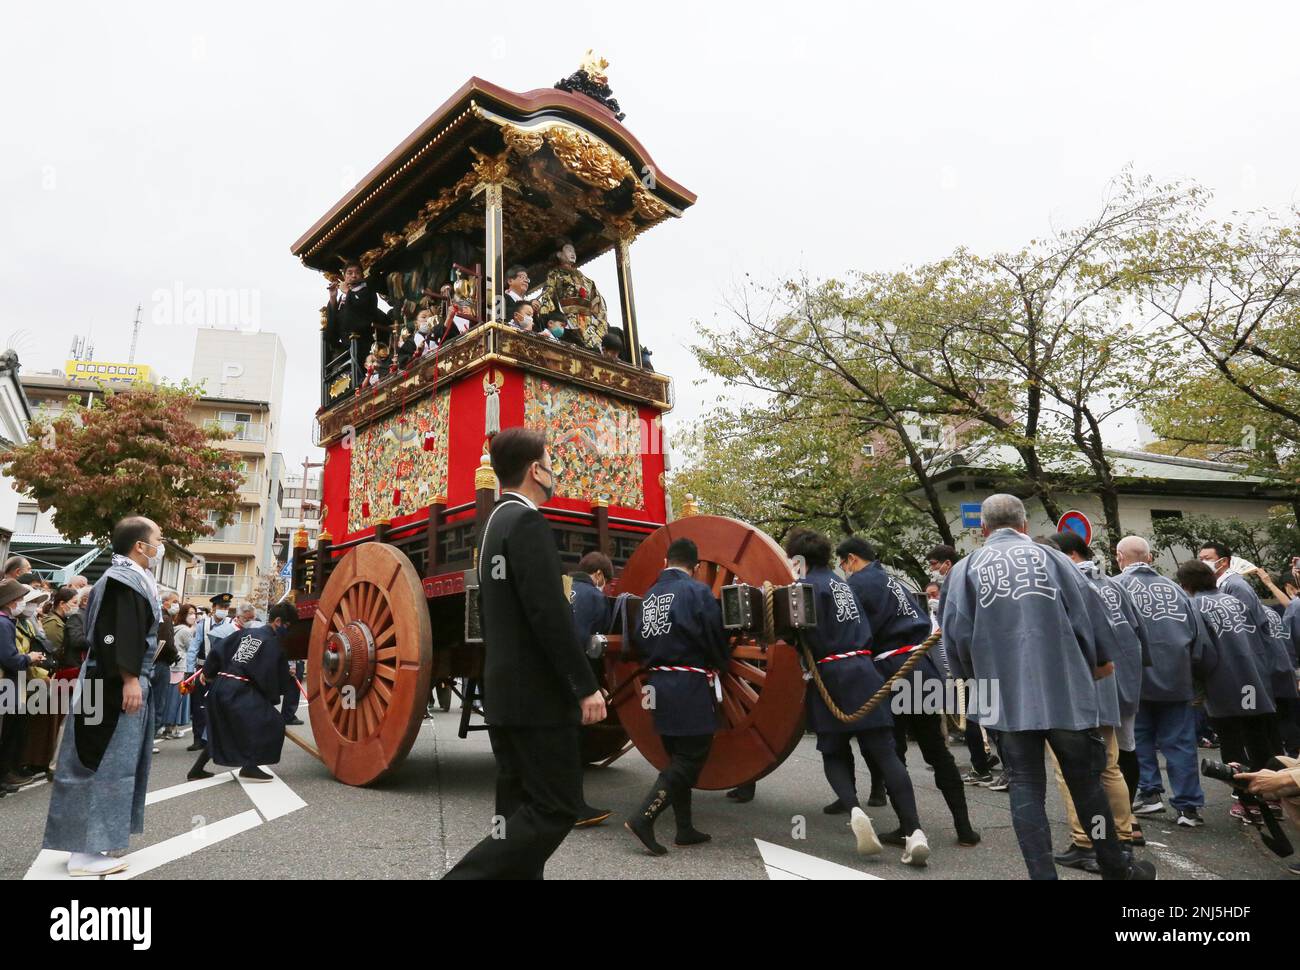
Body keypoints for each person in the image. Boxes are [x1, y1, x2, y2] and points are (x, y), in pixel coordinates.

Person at [941, 494, 1154, 880]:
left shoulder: (965, 568)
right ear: (1025, 526)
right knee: (1086, 783)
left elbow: (956, 633)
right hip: (1065, 690)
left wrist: (969, 679)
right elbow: (1088, 610)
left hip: (1002, 695)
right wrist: (1100, 660)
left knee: (1024, 785)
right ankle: (1115, 866)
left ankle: (1042, 876)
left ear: (983, 530)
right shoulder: (1054, 558)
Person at [444, 428, 606, 880]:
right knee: (556, 807)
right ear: (536, 469)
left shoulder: (494, 522)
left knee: (515, 810)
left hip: (504, 691)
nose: (554, 470)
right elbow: (549, 614)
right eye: (551, 461)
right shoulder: (528, 522)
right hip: (536, 697)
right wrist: (585, 685)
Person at [793, 528, 934, 864]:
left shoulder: (802, 589)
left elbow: (797, 635)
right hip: (865, 669)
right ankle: (914, 831)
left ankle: (856, 811)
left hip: (830, 673)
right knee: (886, 754)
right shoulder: (846, 584)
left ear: (798, 560)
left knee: (834, 752)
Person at [43, 516, 165, 878]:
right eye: (157, 538)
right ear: (139, 546)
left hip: (106, 681)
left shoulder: (126, 579)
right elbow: (115, 635)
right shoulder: (122, 581)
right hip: (111, 683)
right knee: (102, 763)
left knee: (104, 762)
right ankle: (85, 851)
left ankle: (90, 843)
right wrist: (130, 678)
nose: (161, 544)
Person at [838, 536, 978, 845]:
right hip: (921, 664)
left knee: (894, 752)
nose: (844, 570)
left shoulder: (858, 585)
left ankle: (907, 827)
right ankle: (964, 828)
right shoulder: (894, 581)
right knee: (937, 751)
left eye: (843, 563)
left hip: (891, 669)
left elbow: (857, 632)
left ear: (851, 559)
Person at [624, 537, 732, 856]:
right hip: (688, 683)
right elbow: (714, 635)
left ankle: (684, 828)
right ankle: (644, 818)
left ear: (665, 562)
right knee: (691, 757)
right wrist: (721, 661)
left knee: (677, 756)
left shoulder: (651, 595)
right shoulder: (697, 592)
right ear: (696, 567)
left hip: (658, 683)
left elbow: (640, 638)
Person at [1047, 531, 1146, 872]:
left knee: (1071, 769)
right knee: (1109, 766)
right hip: (1110, 685)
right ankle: (1122, 836)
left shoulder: (1064, 584)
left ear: (1065, 555)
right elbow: (1136, 636)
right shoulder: (1113, 584)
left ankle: (1086, 842)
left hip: (1077, 690)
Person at [1114, 535, 1206, 827]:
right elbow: (1197, 637)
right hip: (1177, 677)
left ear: (1119, 557)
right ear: (1150, 558)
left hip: (1136, 679)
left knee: (1137, 739)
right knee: (1180, 743)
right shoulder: (1176, 590)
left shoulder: (1116, 586)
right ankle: (1188, 807)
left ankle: (1150, 794)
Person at [1199, 542, 1297, 760]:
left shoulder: (1236, 586)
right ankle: (1271, 772)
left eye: (1206, 557)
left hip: (1250, 668)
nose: (1202, 562)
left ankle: (1269, 775)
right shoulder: (1225, 586)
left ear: (1223, 561)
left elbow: (1247, 628)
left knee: (1256, 725)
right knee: (1258, 725)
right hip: (1248, 667)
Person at [1178, 560, 1276, 779]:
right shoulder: (1235, 602)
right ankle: (1269, 791)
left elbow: (1201, 650)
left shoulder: (1195, 605)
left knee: (1231, 740)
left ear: (1186, 584)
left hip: (1222, 682)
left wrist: (1197, 682)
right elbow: (1264, 632)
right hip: (1251, 679)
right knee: (1256, 735)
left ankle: (1247, 798)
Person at [188, 603, 296, 782]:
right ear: (278, 621)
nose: (287, 630)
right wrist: (282, 681)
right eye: (287, 626)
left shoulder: (246, 633)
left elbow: (218, 650)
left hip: (221, 686)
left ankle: (196, 770)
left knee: (223, 726)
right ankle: (250, 766)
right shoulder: (272, 643)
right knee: (272, 722)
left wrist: (208, 673)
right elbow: (269, 674)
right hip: (239, 690)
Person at [567, 551, 614, 827]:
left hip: (547, 671)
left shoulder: (560, 588)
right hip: (575, 675)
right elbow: (595, 647)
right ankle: (575, 807)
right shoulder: (595, 597)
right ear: (598, 575)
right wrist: (595, 687)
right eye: (605, 581)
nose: (605, 586)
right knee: (572, 742)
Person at [0, 579, 47, 791]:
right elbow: (9, 658)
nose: (21, 602)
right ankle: (4, 776)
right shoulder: (3, 624)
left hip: (10, 682)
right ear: (9, 602)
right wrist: (28, 658)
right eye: (19, 599)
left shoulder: (7, 622)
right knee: (7, 732)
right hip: (7, 682)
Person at [328, 260, 393, 389]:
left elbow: (362, 313)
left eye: (357, 273)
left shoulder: (367, 291)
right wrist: (333, 298)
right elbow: (335, 321)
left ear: (362, 275)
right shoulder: (343, 297)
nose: (353, 276)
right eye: (349, 273)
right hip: (347, 342)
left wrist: (348, 293)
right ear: (344, 276)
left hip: (364, 339)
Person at [536, 237, 608, 351]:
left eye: (574, 251)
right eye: (568, 250)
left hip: (589, 325)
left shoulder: (587, 281)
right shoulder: (554, 275)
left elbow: (599, 304)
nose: (573, 253)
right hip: (568, 321)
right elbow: (547, 295)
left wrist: (598, 327)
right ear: (559, 255)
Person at [187, 593, 233, 753]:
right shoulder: (203, 624)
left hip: (222, 672)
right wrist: (189, 671)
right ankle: (198, 738)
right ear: (213, 608)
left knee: (220, 706)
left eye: (227, 607)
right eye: (221, 607)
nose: (224, 610)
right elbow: (194, 647)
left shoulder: (231, 624)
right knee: (199, 706)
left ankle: (216, 740)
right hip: (202, 670)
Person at [160, 604, 194, 739]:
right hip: (181, 667)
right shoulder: (186, 631)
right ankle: (171, 728)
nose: (193, 616)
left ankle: (166, 726)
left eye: (194, 613)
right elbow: (191, 648)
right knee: (177, 699)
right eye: (190, 613)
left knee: (169, 698)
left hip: (171, 666)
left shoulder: (174, 627)